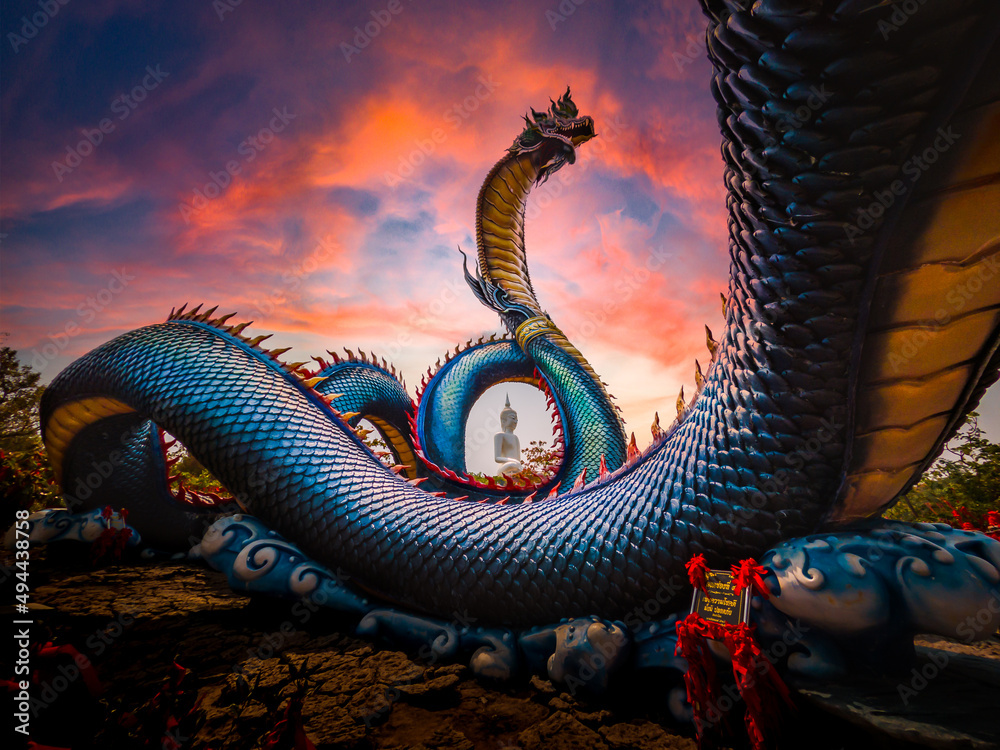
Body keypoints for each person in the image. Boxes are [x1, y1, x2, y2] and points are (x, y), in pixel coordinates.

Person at [494, 394, 522, 476]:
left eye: (516, 419)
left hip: (516, 467)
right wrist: (513, 461)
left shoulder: (515, 438)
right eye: (513, 418)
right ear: (503, 420)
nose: (515, 421)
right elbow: (497, 458)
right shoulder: (499, 436)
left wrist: (517, 463)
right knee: (512, 465)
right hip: (505, 467)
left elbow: (519, 460)